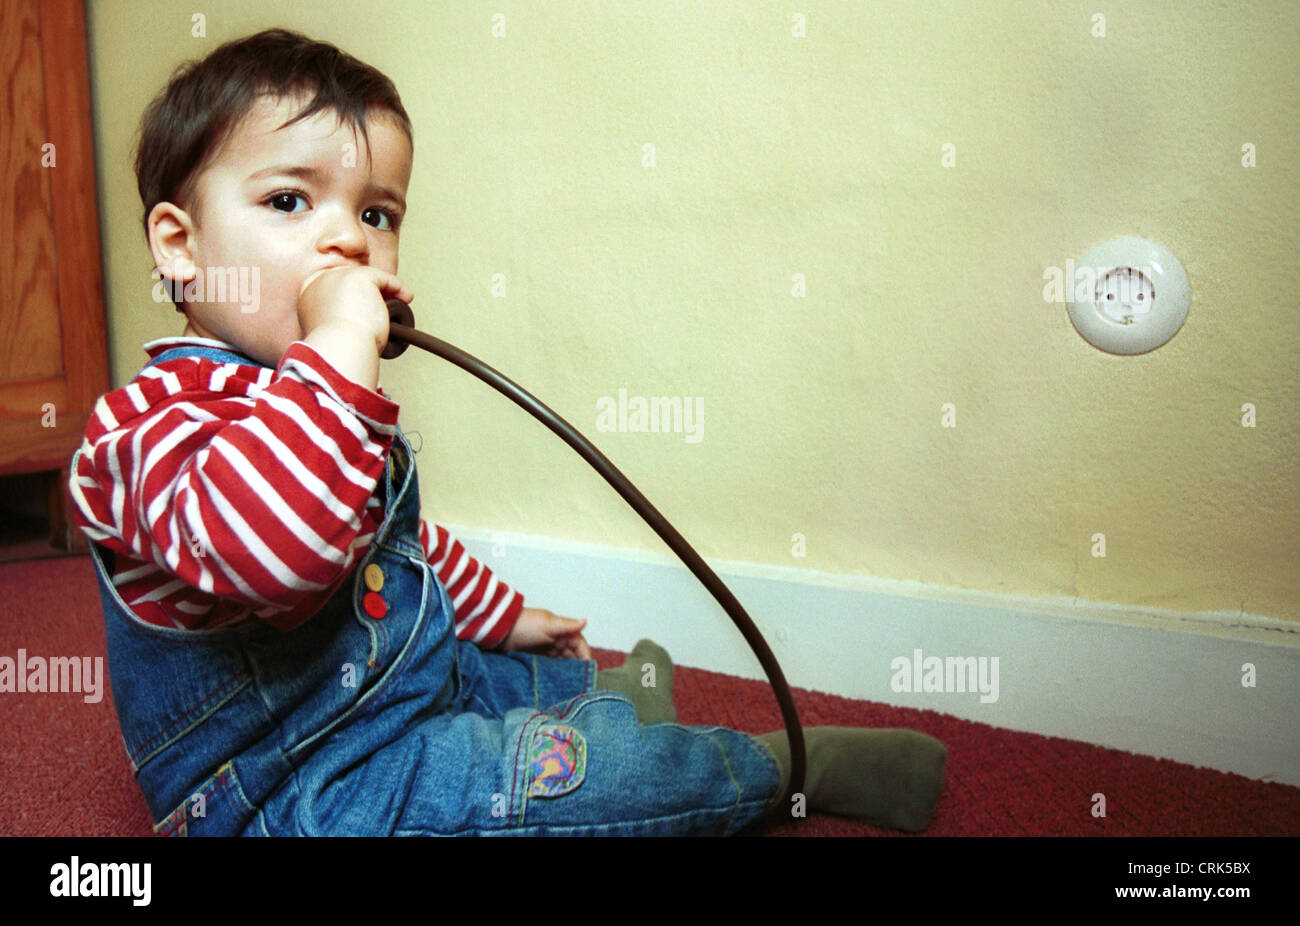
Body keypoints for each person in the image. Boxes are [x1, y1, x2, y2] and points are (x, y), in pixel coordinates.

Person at [69, 28, 948, 836]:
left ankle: (596, 698)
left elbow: (399, 551)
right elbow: (279, 554)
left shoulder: (320, 398)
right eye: (291, 200)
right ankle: (772, 770)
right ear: (181, 247)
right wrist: (338, 344)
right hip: (301, 791)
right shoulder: (139, 431)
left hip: (400, 696)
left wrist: (511, 616)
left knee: (493, 672)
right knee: (550, 784)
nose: (347, 241)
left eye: (377, 214)